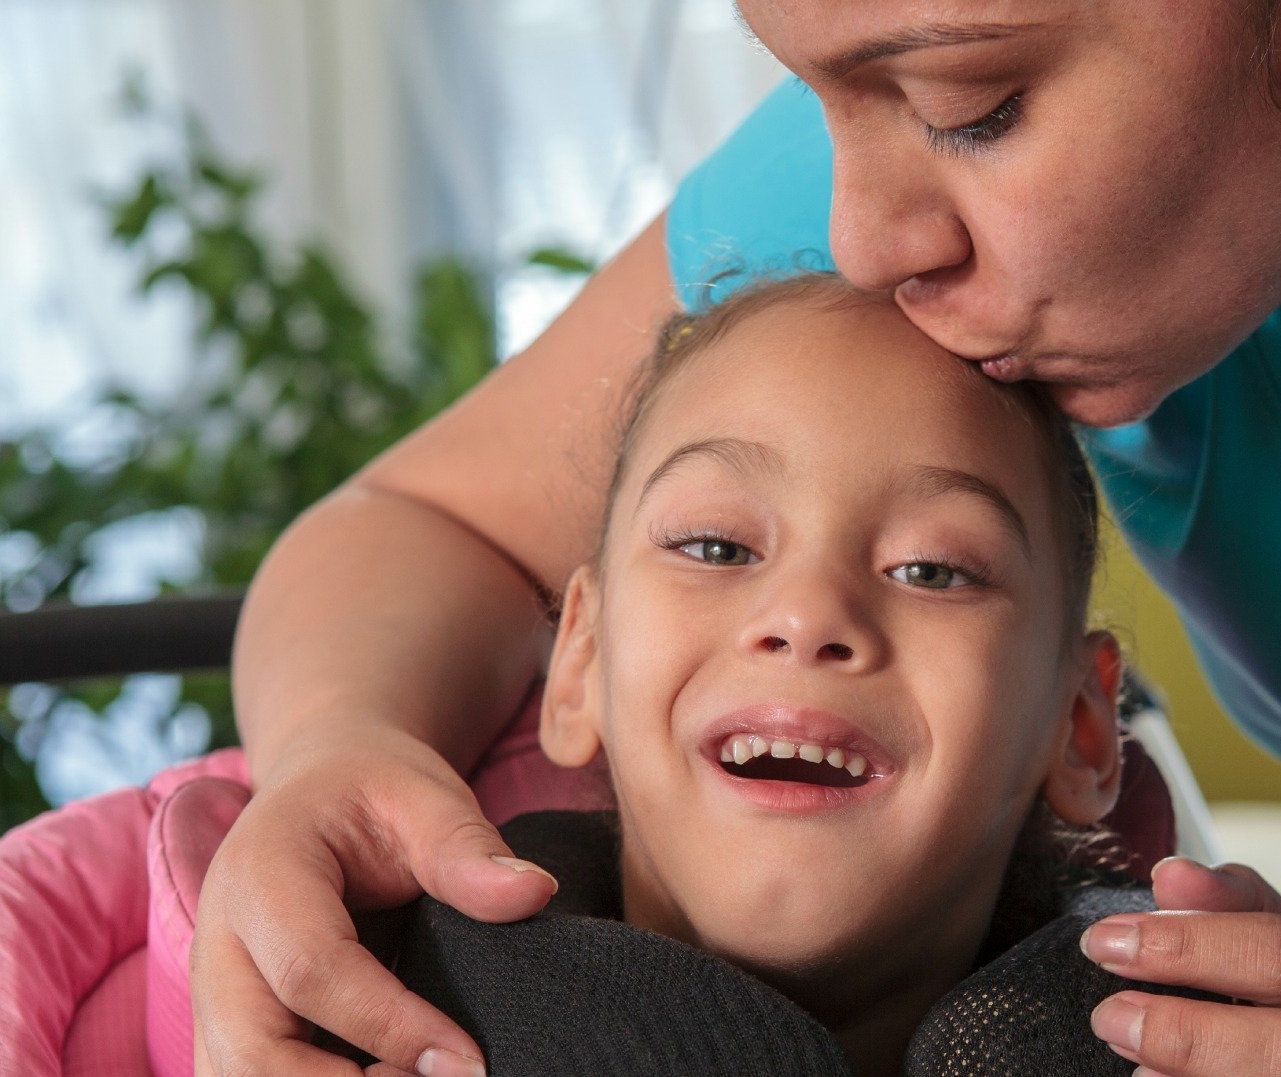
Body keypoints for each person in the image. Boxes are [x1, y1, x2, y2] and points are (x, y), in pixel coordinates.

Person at [190, 0, 1281, 1074]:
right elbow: (426, 521)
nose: (859, 238)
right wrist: (332, 753)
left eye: (970, 105)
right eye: (823, 96)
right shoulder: (980, 150)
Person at [385, 273, 1178, 1075]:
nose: (807, 616)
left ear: (1078, 729)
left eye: (932, 569)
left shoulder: (1204, 1026)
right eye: (715, 546)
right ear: (581, 654)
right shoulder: (368, 1006)